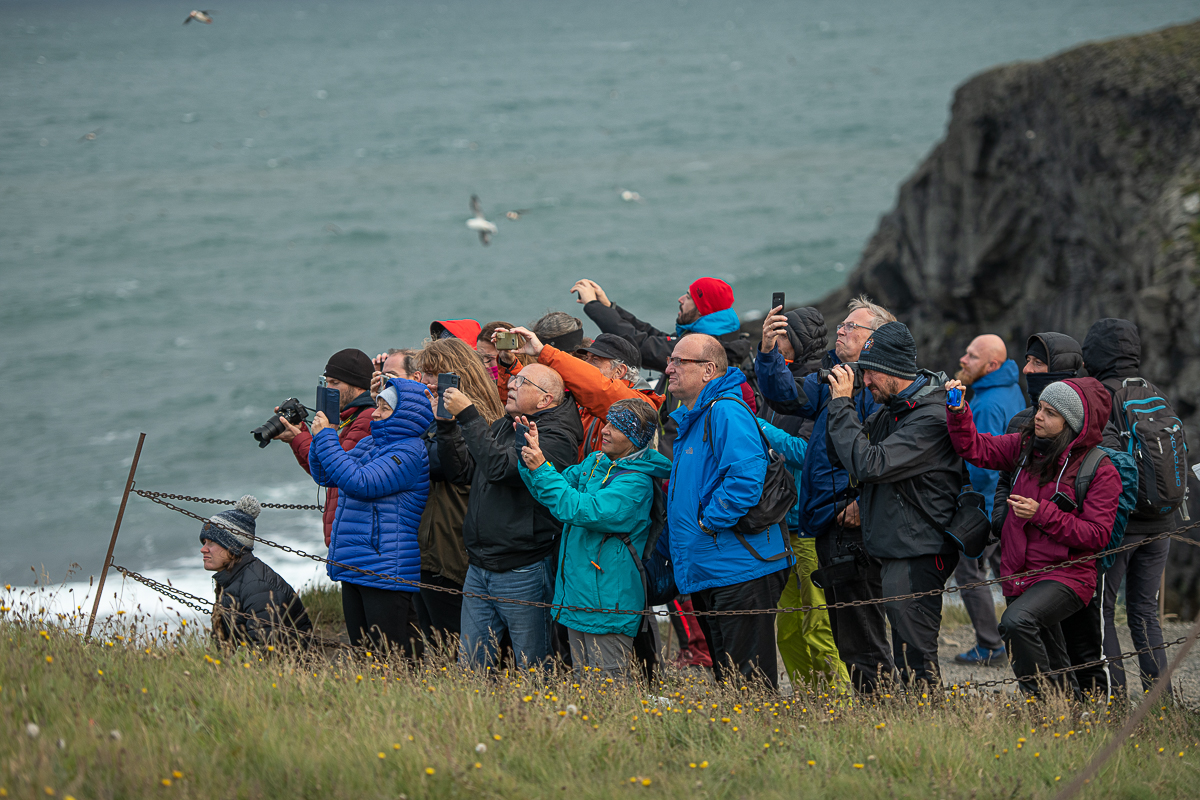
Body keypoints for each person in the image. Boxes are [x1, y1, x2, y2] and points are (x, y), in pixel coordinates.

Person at [946, 376, 1120, 696]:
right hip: (1020, 573)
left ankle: (1042, 705)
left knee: (1016, 622)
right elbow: (974, 448)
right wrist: (958, 412)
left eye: (1050, 413)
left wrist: (1042, 514)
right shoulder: (1024, 447)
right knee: (1051, 656)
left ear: (1071, 423)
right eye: (1040, 408)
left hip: (1067, 576)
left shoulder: (1100, 469)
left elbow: (1097, 535)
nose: (1038, 416)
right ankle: (1067, 709)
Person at [756, 295, 894, 691]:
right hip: (815, 519)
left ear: (874, 338)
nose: (841, 329)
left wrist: (863, 503)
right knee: (813, 627)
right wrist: (768, 351)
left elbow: (885, 458)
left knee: (847, 628)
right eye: (842, 324)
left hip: (850, 523)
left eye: (851, 326)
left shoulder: (883, 387)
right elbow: (785, 394)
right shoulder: (835, 375)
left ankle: (860, 703)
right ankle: (827, 702)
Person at [825, 322, 962, 687]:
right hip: (899, 544)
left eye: (870, 372)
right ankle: (917, 714)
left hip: (920, 548)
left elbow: (869, 464)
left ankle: (929, 714)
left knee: (915, 654)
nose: (865, 380)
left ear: (893, 370)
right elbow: (842, 453)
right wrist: (839, 404)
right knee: (906, 650)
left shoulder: (930, 418)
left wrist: (842, 404)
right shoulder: (893, 411)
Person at [662, 333, 792, 689]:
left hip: (740, 567)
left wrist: (708, 523)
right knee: (730, 679)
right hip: (716, 567)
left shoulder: (724, 411)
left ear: (708, 370)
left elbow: (745, 478)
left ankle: (760, 727)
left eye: (679, 361)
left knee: (749, 684)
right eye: (671, 360)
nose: (669, 368)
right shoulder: (697, 416)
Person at [436, 363, 584, 669]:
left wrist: (468, 415)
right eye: (514, 378)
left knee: (535, 667)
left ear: (545, 399)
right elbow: (462, 471)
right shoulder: (507, 423)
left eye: (522, 381)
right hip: (480, 566)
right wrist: (447, 426)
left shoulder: (556, 437)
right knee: (471, 667)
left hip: (523, 567)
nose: (512, 384)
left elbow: (500, 469)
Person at [518, 398, 671, 679]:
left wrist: (541, 468)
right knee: (585, 685)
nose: (605, 430)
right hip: (579, 596)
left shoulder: (636, 483)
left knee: (609, 689)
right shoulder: (597, 462)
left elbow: (580, 509)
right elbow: (552, 491)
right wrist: (529, 457)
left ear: (635, 439)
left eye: (617, 427)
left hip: (609, 603)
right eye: (607, 422)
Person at [994, 333, 1108, 697]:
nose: (1027, 369)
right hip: (1026, 560)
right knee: (1044, 638)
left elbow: (1099, 523)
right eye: (1027, 360)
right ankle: (1063, 709)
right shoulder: (1023, 424)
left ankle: (1093, 706)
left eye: (1038, 363)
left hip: (1074, 563)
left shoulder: (1092, 431)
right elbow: (1003, 478)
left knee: (1083, 643)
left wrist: (1042, 514)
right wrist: (1002, 519)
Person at [308, 376, 434, 655]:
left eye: (384, 408)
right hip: (356, 564)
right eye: (377, 405)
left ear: (405, 413)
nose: (375, 413)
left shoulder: (409, 452)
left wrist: (327, 437)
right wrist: (320, 440)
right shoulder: (370, 445)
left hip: (385, 568)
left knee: (392, 656)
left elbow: (361, 483)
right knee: (364, 653)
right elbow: (327, 475)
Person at [1084, 318, 1176, 695]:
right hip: (1163, 520)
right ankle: (1161, 701)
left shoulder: (1102, 395)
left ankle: (1114, 700)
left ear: (1094, 353)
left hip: (1123, 524)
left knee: (1102, 612)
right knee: (1145, 612)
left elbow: (1105, 460)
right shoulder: (1153, 392)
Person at [572, 276, 756, 456]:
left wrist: (593, 305)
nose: (680, 299)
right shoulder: (715, 338)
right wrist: (608, 306)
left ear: (702, 310)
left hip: (672, 453)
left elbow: (641, 344)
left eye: (689, 297)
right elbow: (651, 335)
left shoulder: (699, 349)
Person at [410, 338, 507, 645]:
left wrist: (439, 423)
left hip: (451, 548)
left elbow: (443, 466)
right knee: (436, 642)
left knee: (456, 643)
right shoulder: (437, 417)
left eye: (432, 374)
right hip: (431, 544)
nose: (424, 381)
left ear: (456, 377)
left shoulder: (478, 423)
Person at [755, 417, 850, 689]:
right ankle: (808, 697)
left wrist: (760, 426)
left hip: (809, 529)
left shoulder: (815, 401)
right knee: (787, 631)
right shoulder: (768, 401)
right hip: (778, 528)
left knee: (819, 624)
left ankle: (840, 698)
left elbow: (805, 452)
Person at [950, 334, 1025, 665]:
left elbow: (982, 465)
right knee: (1008, 572)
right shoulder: (1011, 388)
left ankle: (991, 645)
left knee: (969, 572)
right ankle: (1022, 638)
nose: (963, 359)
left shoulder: (987, 404)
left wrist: (970, 508)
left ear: (992, 364)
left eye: (972, 356)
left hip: (987, 506)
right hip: (1011, 501)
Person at [499, 326, 663, 457]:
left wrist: (544, 352)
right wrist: (510, 365)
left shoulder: (641, 404)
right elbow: (533, 395)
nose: (586, 364)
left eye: (595, 360)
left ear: (619, 371)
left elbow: (600, 388)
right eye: (586, 359)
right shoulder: (585, 397)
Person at [274, 349, 377, 546]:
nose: (328, 388)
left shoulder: (366, 419)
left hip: (355, 537)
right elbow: (322, 470)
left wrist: (303, 437)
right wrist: (298, 435)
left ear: (357, 385)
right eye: (326, 381)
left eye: (335, 383)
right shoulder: (349, 418)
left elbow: (335, 471)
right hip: (348, 535)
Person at [201, 495, 312, 648]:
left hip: (289, 662)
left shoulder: (258, 587)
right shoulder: (230, 578)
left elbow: (265, 649)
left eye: (211, 543)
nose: (203, 549)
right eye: (204, 542)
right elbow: (222, 644)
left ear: (233, 547)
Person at [757, 306, 828, 438]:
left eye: (784, 336)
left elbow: (803, 447)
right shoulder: (780, 377)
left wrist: (760, 427)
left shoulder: (819, 385)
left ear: (803, 342)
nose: (776, 342)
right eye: (777, 334)